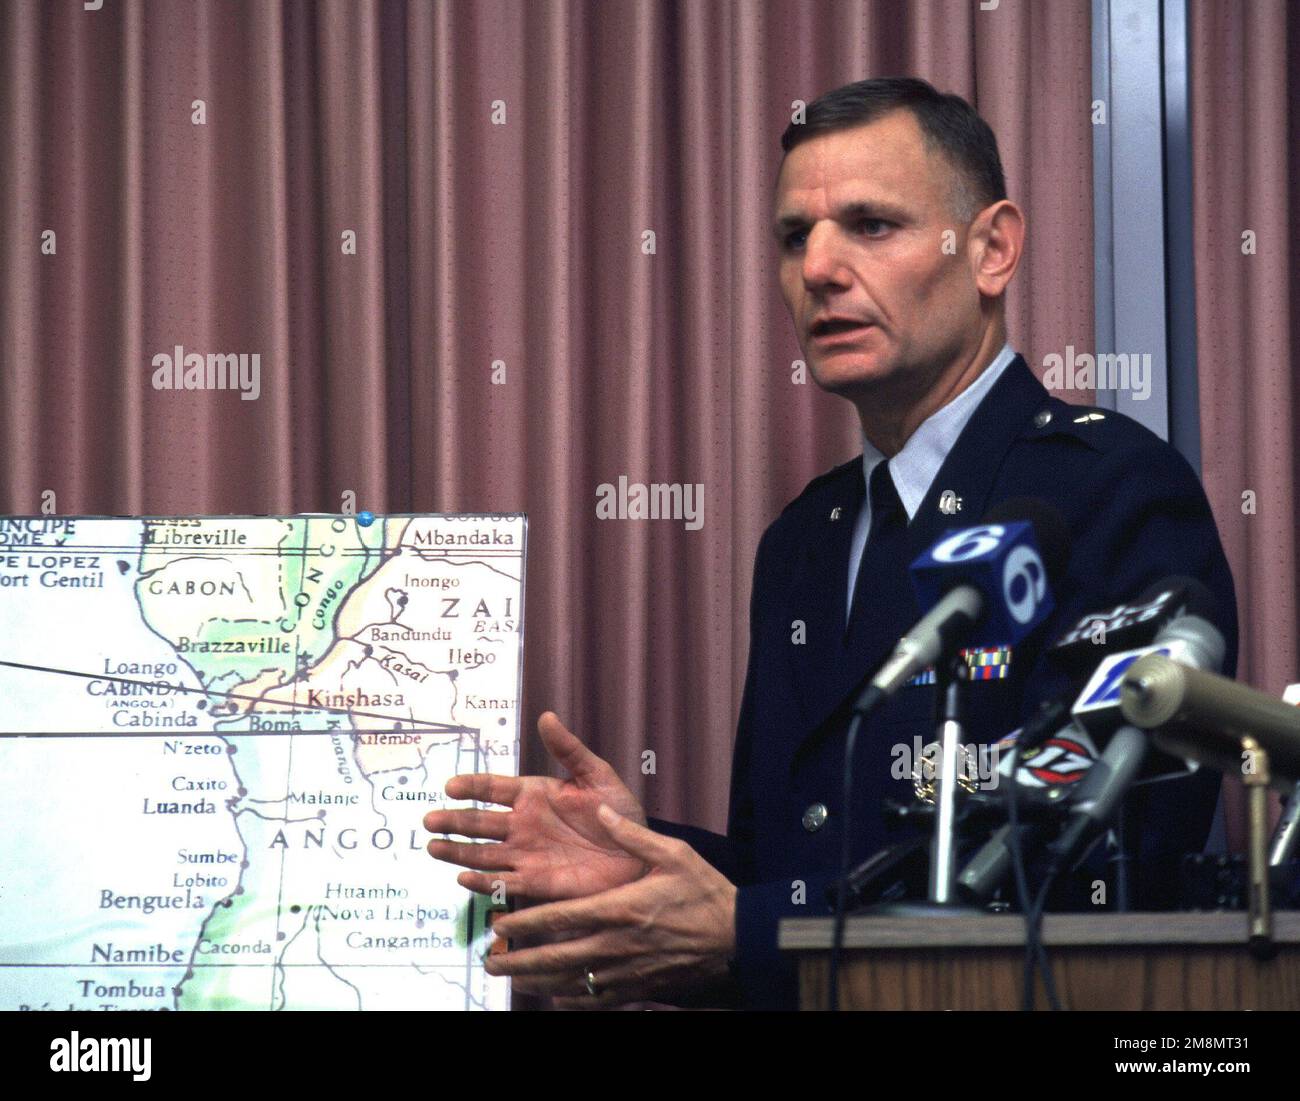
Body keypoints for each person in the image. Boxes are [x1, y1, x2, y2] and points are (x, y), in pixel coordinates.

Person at [423, 77, 1238, 1011]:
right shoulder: (805, 539)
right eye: (793, 236)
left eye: (871, 225)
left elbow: (1092, 871)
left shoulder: (1115, 490)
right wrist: (646, 864)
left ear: (992, 249)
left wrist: (741, 932)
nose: (818, 267)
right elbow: (804, 865)